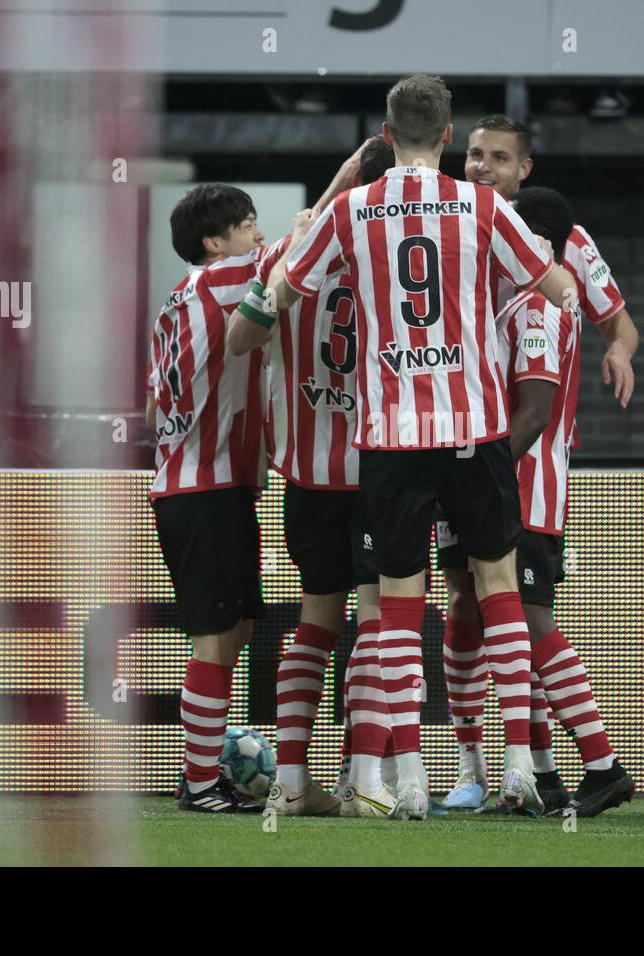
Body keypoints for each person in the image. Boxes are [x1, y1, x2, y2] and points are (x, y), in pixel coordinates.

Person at [253, 74, 577, 819]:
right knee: (498, 584)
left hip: (392, 434)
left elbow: (283, 291)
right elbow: (555, 283)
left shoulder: (352, 211)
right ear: (451, 135)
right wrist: (561, 305)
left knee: (397, 603)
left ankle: (408, 781)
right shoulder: (484, 205)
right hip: (473, 429)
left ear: (388, 132)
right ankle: (521, 763)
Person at [441, 115, 642, 809]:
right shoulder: (453, 221)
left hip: (516, 474)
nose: (482, 167)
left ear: (524, 169)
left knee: (524, 616)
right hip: (480, 461)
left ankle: (597, 763)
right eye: (473, 154)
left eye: (498, 157)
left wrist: (618, 347)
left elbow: (613, 323)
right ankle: (532, 771)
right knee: (477, 610)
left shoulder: (550, 258)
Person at [227, 136, 402, 818]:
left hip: (306, 473)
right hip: (382, 467)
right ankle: (363, 780)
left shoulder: (293, 250)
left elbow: (241, 338)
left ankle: (292, 780)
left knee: (316, 622)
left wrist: (328, 194)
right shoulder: (405, 247)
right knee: (380, 622)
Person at [146, 184, 271, 813]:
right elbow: (291, 253)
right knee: (215, 637)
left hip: (205, 484)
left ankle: (205, 769)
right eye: (248, 225)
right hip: (204, 487)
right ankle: (198, 783)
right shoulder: (218, 283)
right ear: (213, 243)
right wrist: (349, 177)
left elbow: (150, 404)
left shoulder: (176, 300)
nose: (259, 234)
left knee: (238, 626)